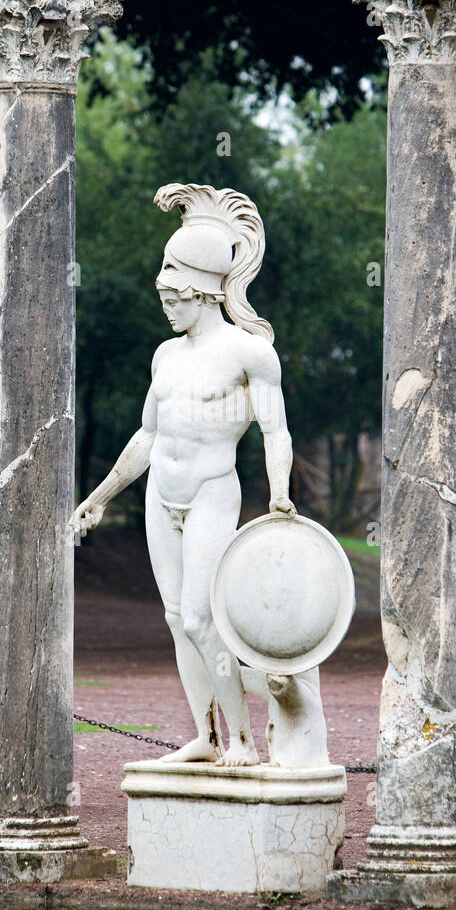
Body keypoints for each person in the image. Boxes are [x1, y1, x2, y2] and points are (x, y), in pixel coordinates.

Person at [69, 183, 295, 765]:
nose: (165, 304)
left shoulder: (249, 353)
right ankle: (206, 735)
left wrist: (280, 496)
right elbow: (149, 436)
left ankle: (243, 739)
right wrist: (98, 496)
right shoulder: (165, 357)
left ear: (202, 291)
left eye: (173, 294)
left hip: (212, 493)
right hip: (159, 498)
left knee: (201, 616)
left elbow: (275, 430)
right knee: (176, 619)